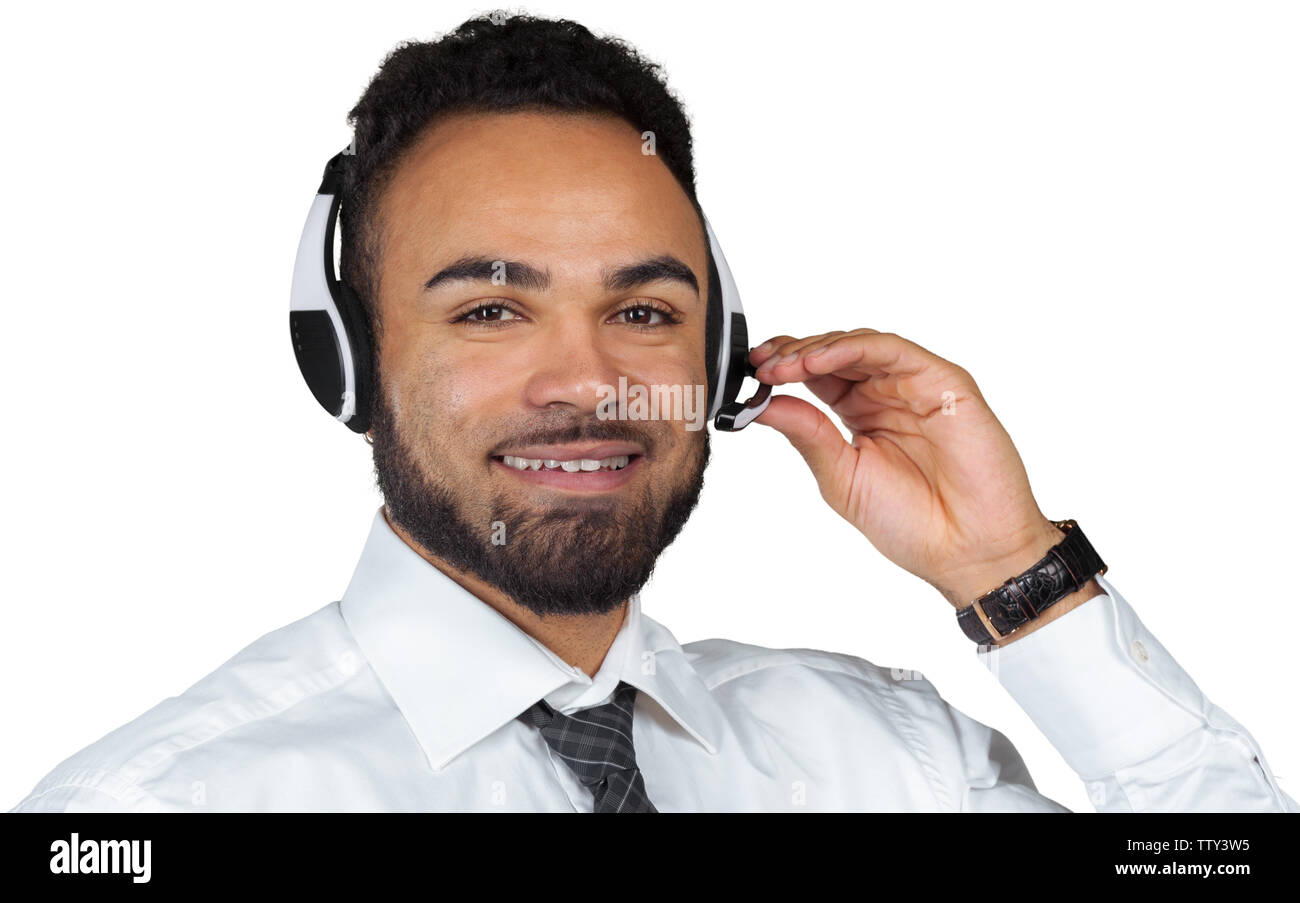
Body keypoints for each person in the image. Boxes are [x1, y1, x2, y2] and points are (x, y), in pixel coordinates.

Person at [12, 13, 1295, 813]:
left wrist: (1015, 575)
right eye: (489, 312)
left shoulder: (892, 759)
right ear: (343, 358)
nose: (588, 385)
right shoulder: (152, 813)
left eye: (641, 312)